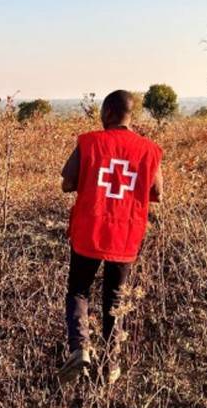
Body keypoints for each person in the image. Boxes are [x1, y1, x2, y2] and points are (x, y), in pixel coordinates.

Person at [58, 89, 163, 385]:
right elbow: (158, 193)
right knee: (114, 300)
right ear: (131, 115)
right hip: (126, 233)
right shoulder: (150, 150)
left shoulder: (90, 142)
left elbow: (67, 182)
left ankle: (80, 348)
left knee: (79, 290)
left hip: (89, 231)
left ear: (107, 113)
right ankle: (111, 363)